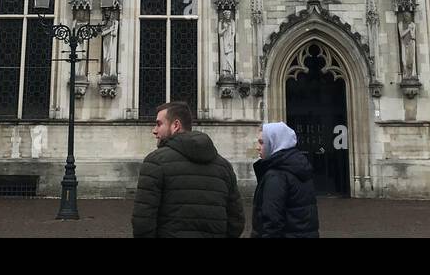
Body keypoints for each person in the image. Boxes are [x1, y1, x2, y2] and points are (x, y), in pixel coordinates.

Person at [132, 102, 244, 239]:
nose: (154, 130)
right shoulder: (224, 166)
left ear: (176, 126)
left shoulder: (155, 162)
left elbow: (143, 221)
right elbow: (236, 220)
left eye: (159, 124)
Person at [251, 122, 320, 238]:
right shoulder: (299, 166)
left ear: (274, 142)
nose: (257, 147)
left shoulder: (276, 175)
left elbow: (272, 222)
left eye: (262, 142)